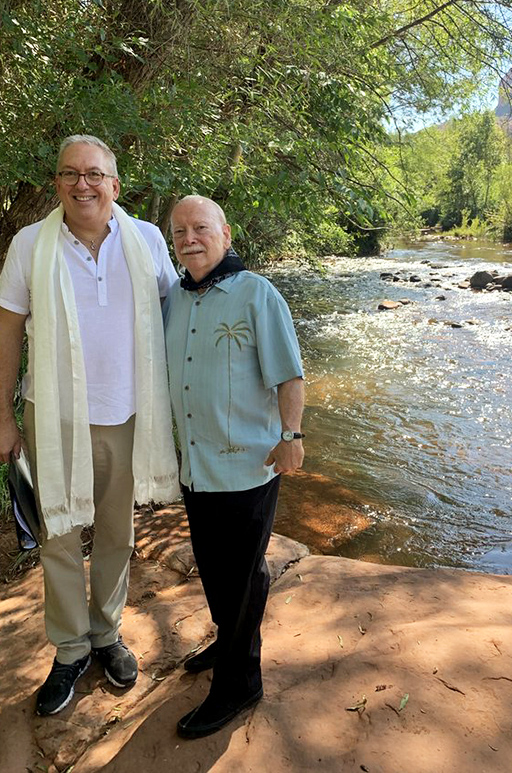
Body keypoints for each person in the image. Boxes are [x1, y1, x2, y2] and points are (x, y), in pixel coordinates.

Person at [0, 134, 179, 716]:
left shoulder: (146, 240)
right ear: (57, 184)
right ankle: (69, 649)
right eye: (70, 174)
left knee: (118, 533)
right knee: (59, 537)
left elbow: (178, 307)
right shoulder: (30, 244)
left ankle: (106, 634)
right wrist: (1, 418)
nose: (83, 184)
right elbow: (7, 329)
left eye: (94, 174)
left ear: (114, 184)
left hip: (128, 413)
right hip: (53, 415)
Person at [165, 195, 304, 739]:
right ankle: (228, 641)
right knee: (216, 567)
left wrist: (292, 436)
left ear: (225, 233)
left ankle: (240, 682)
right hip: (197, 466)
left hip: (248, 465)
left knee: (242, 577)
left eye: (200, 228)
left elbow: (290, 375)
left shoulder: (257, 294)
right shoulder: (175, 300)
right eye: (180, 232)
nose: (190, 239)